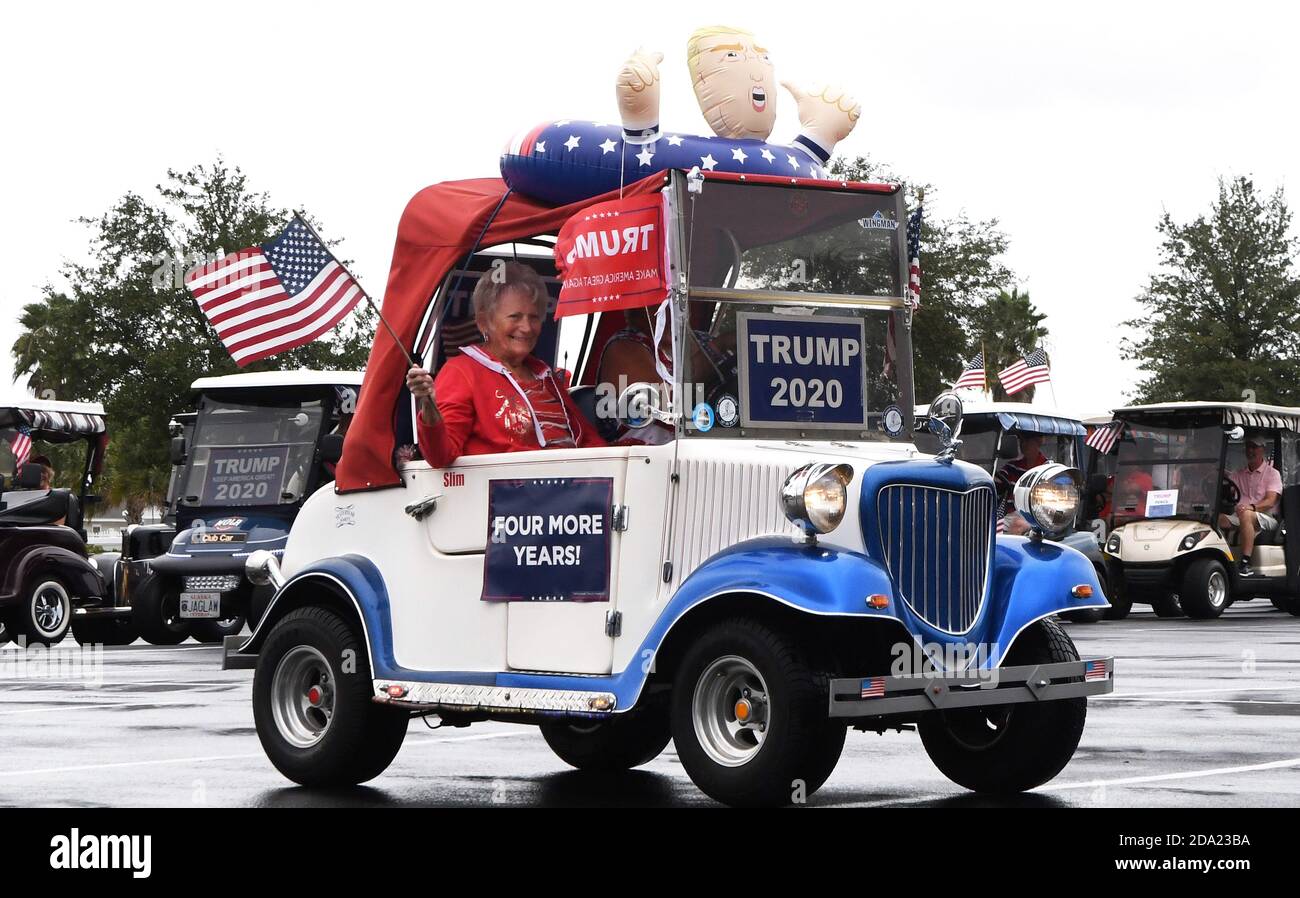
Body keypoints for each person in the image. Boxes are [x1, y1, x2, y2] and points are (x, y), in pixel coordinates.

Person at [407, 262, 605, 466]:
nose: (526, 327)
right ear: (484, 322)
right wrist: (429, 406)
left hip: (576, 481)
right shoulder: (462, 371)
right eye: (515, 317)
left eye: (534, 317)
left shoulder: (545, 375)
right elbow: (441, 455)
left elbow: (591, 443)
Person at [1219, 433, 1282, 576]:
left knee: (1246, 515)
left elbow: (1270, 501)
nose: (1250, 450)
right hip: (1241, 515)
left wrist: (1252, 507)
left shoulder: (1273, 474)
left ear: (1262, 449)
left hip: (1267, 517)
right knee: (1216, 519)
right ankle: (1220, 559)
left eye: (1254, 447)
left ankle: (1245, 562)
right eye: (1248, 447)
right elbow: (1226, 483)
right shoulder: (1239, 474)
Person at [994, 432, 1049, 535]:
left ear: (1039, 441)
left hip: (1037, 516)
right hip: (1009, 514)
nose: (1023, 444)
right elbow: (995, 484)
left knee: (1017, 524)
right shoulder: (1011, 467)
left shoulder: (1047, 470)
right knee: (986, 523)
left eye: (1027, 440)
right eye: (1021, 440)